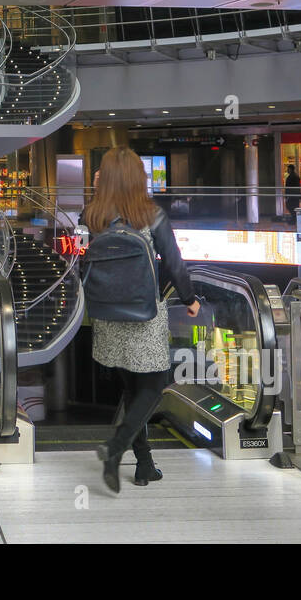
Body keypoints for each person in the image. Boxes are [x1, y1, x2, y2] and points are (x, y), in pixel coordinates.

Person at [83, 147, 200, 493]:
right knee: (153, 385)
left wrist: (95, 191)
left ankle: (144, 465)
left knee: (133, 389)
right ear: (138, 178)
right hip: (144, 314)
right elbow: (175, 263)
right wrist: (190, 299)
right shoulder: (151, 215)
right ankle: (115, 447)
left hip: (106, 315)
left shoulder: (93, 215)